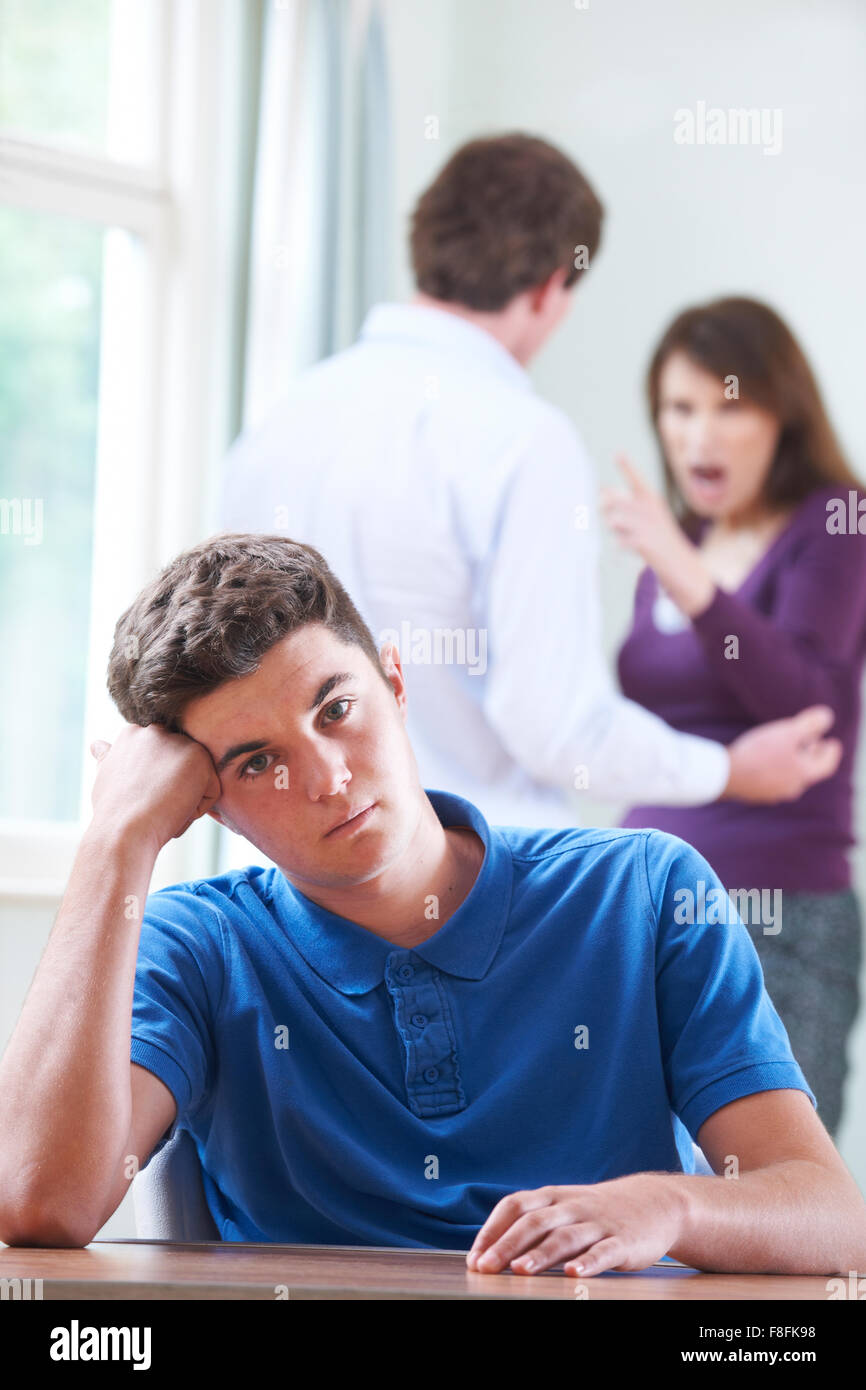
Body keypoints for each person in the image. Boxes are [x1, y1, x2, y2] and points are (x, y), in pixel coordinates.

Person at [1, 532, 864, 1277]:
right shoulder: (199, 948)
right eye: (258, 762)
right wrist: (117, 839)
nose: (328, 778)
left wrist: (669, 1208)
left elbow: (833, 1215)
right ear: (205, 800)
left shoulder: (642, 891)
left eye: (336, 709)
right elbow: (38, 1203)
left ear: (397, 682)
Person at [219, 133, 839, 827]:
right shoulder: (522, 439)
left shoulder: (274, 425)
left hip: (288, 874)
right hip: (471, 876)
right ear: (551, 287)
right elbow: (553, 725)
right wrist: (725, 769)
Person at [602, 296, 866, 1138]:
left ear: (782, 416)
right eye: (679, 409)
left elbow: (805, 704)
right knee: (639, 1171)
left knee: (775, 1187)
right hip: (644, 902)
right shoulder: (676, 549)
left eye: (729, 406)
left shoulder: (831, 522)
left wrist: (685, 572)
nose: (699, 437)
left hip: (777, 909)